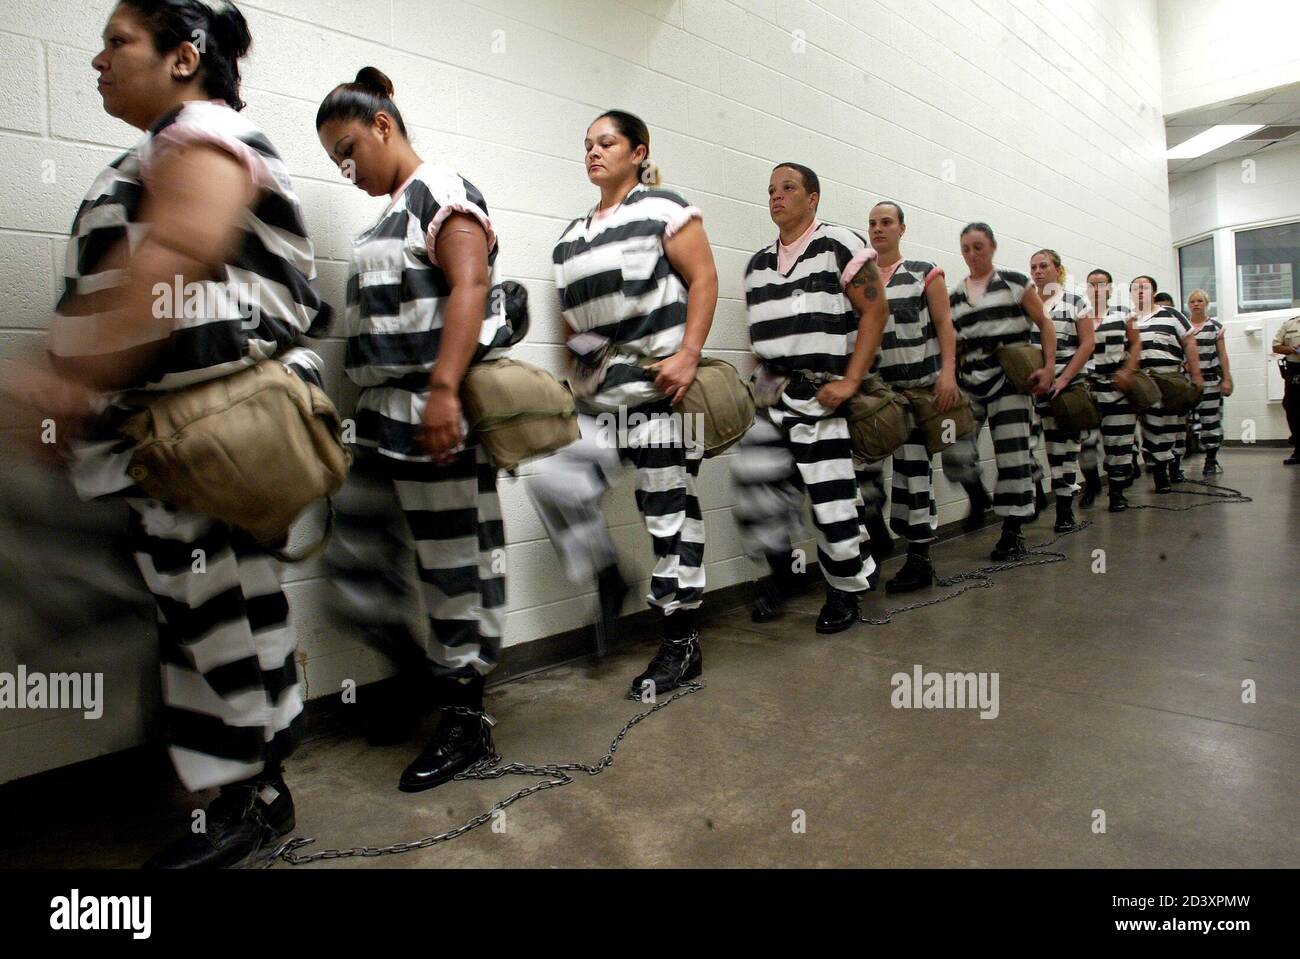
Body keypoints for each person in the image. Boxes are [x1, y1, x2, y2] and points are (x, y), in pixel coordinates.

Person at [4, 0, 331, 868]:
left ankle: (252, 806)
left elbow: (183, 243)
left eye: (117, 41)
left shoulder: (200, 135)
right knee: (213, 618)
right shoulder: (170, 142)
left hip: (205, 434)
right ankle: (244, 799)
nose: (98, 60)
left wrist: (65, 378)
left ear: (184, 56)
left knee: (220, 619)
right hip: (175, 441)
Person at [314, 68, 514, 792]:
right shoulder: (380, 220)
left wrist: (441, 390)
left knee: (455, 570)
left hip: (435, 413)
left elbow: (471, 284)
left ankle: (466, 721)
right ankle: (417, 677)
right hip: (377, 422)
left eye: (347, 149)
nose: (346, 168)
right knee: (356, 564)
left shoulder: (443, 192)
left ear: (382, 126)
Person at [528, 111, 718, 697]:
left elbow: (705, 278)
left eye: (606, 142)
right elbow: (571, 321)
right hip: (597, 399)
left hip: (657, 394)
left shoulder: (665, 209)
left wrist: (688, 353)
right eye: (587, 144)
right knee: (554, 481)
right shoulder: (569, 236)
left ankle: (681, 643)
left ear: (638, 152)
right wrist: (572, 371)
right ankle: (608, 577)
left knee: (669, 515)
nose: (593, 152)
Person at [730, 165, 886, 630]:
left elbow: (876, 309)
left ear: (813, 198)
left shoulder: (841, 245)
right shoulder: (757, 264)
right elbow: (759, 335)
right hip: (771, 396)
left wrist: (852, 380)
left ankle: (845, 589)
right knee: (755, 486)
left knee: (832, 501)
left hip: (822, 396)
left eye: (788, 189)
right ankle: (784, 574)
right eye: (771, 191)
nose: (777, 197)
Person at [854, 200, 959, 592]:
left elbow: (945, 324)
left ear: (901, 228)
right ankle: (874, 542)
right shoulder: (860, 278)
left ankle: (919, 561)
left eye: (886, 222)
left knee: (914, 477)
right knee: (861, 473)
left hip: (916, 391)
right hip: (875, 395)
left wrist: (948, 374)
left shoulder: (924, 273)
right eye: (872, 223)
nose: (878, 229)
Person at [942, 223, 1057, 560]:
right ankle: (977, 496)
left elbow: (1045, 324)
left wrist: (1049, 367)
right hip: (970, 380)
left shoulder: (1015, 282)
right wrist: (948, 376)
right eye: (966, 248)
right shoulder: (955, 296)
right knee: (953, 446)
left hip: (1009, 379)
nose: (972, 254)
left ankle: (1012, 531)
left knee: (1013, 457)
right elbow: (952, 343)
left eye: (978, 247)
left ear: (992, 247)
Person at [1114, 276, 1203, 493]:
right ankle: (1160, 471)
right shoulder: (1128, 319)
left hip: (1170, 380)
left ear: (1153, 291)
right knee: (1151, 427)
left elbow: (1189, 343)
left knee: (1170, 427)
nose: (1140, 292)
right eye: (1135, 288)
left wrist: (1197, 375)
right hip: (1142, 381)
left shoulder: (1171, 315)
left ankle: (1173, 465)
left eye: (1144, 288)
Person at [1028, 249, 1095, 532]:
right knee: (1024, 449)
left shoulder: (1075, 301)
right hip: (1031, 390)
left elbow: (1087, 343)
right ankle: (1035, 493)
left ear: (1057, 270)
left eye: (1044, 266)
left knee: (1062, 453)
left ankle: (1064, 511)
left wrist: (1065, 379)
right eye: (1033, 267)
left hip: (1063, 388)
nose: (1038, 271)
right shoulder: (1027, 303)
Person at [1083, 269, 1139, 511]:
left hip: (1117, 386)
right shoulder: (1079, 316)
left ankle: (1117, 492)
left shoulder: (1124, 315)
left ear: (1109, 288)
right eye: (1091, 284)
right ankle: (1092, 484)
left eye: (1101, 284)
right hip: (1088, 388)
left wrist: (1127, 371)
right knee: (1085, 443)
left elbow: (1136, 343)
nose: (1096, 288)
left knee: (1119, 443)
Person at [1185, 290, 1231, 475]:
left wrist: (1227, 378)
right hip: (1186, 382)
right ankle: (1175, 464)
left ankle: (1210, 459)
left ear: (1206, 303)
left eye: (1199, 301)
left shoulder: (1215, 327)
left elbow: (1222, 354)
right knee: (1182, 421)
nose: (1196, 304)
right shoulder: (1182, 326)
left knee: (1210, 420)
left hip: (1210, 379)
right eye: (1192, 301)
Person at [1272, 313, 1300, 464]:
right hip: (1294, 368)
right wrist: (1291, 349)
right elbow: (1276, 346)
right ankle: (1298, 448)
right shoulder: (1290, 324)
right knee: (1291, 406)